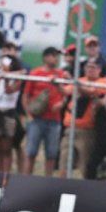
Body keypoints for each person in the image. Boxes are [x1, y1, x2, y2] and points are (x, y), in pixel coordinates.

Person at [22, 47, 70, 176]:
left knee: (52, 154)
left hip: (54, 119)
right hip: (36, 118)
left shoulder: (61, 74)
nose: (56, 59)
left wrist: (61, 104)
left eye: (57, 56)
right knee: (31, 152)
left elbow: (66, 94)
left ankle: (47, 181)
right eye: (53, 56)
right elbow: (25, 95)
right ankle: (26, 180)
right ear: (45, 57)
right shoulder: (35, 73)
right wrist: (28, 115)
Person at [61, 59, 105, 179]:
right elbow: (65, 91)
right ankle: (60, 189)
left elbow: (90, 92)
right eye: (88, 67)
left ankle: (84, 192)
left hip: (87, 130)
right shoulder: (79, 81)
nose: (90, 69)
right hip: (70, 128)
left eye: (93, 67)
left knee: (85, 165)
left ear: (99, 69)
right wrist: (57, 83)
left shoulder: (103, 82)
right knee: (64, 163)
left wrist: (73, 81)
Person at [0, 54, 23, 174]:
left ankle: (6, 174)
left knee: (6, 148)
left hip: (8, 113)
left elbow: (9, 90)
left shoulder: (17, 79)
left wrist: (6, 78)